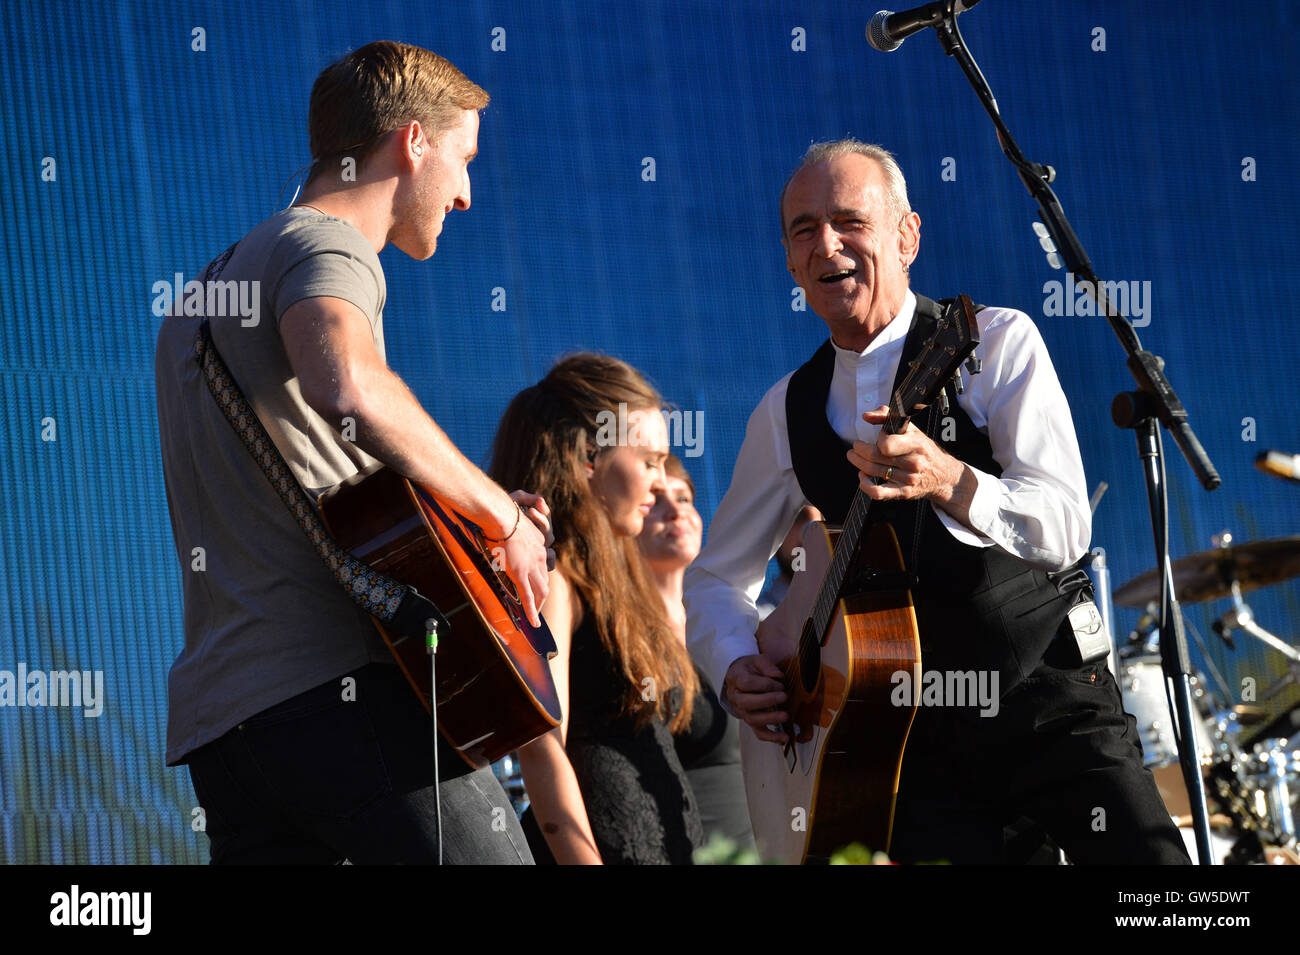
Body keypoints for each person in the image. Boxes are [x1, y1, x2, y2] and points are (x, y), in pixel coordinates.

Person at [683, 138, 1190, 865]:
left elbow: (1065, 525)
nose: (827, 243)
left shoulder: (995, 341)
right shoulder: (782, 413)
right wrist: (736, 664)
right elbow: (711, 578)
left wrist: (952, 478)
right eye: (804, 230)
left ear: (907, 235)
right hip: (907, 750)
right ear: (791, 265)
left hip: (1046, 702)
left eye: (849, 220)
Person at [154, 41, 552, 864]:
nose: (467, 193)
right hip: (342, 695)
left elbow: (315, 481)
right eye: (463, 158)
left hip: (225, 729)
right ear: (412, 141)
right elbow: (349, 386)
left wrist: (458, 519)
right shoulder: (325, 246)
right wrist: (501, 514)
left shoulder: (199, 300)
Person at [491, 354, 704, 864]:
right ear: (588, 457)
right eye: (649, 461)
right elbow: (542, 748)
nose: (661, 482)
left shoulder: (622, 582)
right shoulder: (557, 580)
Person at [638, 454, 754, 851]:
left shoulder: (739, 627)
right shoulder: (616, 636)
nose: (675, 511)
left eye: (685, 498)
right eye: (655, 500)